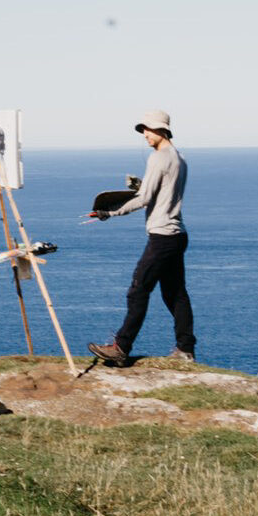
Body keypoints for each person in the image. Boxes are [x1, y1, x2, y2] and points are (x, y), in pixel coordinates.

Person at [88, 109, 196, 366]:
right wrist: (141, 186)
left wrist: (111, 211)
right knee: (175, 294)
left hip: (161, 236)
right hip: (177, 234)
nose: (145, 134)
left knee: (138, 290)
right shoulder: (179, 158)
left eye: (148, 129)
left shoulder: (158, 158)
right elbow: (160, 192)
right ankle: (186, 350)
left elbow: (146, 198)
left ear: (161, 130)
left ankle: (121, 347)